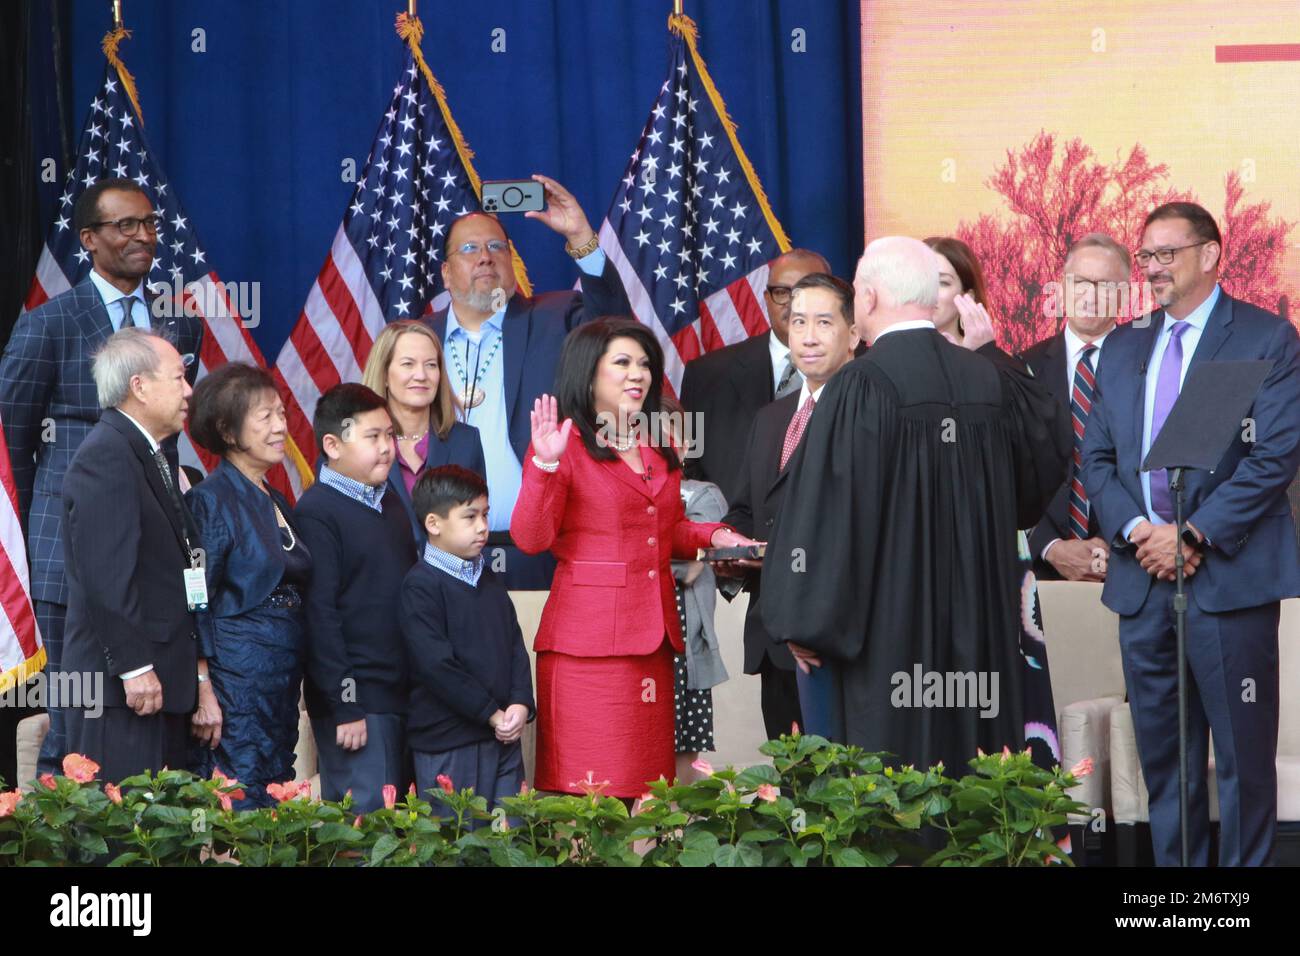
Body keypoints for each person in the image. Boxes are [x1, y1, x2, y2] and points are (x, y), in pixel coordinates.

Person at [759, 237, 1070, 777]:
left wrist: (801, 619)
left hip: (889, 638)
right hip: (981, 632)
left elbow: (828, 514)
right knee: (973, 788)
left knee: (894, 793)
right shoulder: (986, 377)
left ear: (869, 296)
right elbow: (1033, 487)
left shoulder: (859, 384)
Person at [1080, 202, 1300, 867]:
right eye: (1144, 257)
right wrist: (1142, 529)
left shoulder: (1264, 338)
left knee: (1241, 760)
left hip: (1226, 583)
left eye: (1165, 254)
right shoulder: (1123, 344)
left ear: (1210, 254)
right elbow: (1095, 459)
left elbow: (1275, 454)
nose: (1151, 269)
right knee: (1164, 764)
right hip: (1142, 584)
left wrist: (1193, 533)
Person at [0, 178, 203, 773]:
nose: (142, 236)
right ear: (88, 239)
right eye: (124, 226)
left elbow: (167, 437)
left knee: (146, 734)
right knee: (74, 728)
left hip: (155, 562)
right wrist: (38, 539)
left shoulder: (178, 323)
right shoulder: (49, 324)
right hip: (65, 562)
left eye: (148, 223)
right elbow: (12, 447)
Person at [510, 318, 756, 799]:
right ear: (587, 373)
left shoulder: (655, 447)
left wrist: (718, 535)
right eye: (621, 362)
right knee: (589, 799)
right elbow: (531, 538)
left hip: (654, 640)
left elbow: (663, 533)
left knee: (647, 795)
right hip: (589, 648)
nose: (637, 374)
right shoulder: (563, 445)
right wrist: (543, 465)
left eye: (644, 363)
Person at [422, 175, 631, 589]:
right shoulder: (417, 340)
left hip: (540, 553)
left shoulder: (555, 318)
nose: (485, 257)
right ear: (446, 274)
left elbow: (617, 330)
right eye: (469, 249)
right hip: (436, 559)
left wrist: (581, 239)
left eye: (496, 246)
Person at [720, 273, 860, 740]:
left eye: (824, 322)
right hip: (771, 635)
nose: (809, 336)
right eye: (798, 321)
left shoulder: (867, 414)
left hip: (834, 638)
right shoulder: (771, 417)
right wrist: (729, 550)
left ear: (854, 334)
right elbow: (746, 509)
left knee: (844, 794)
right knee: (790, 786)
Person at [60, 328, 200, 783]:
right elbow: (105, 575)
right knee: (126, 840)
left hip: (157, 683)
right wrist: (136, 666)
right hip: (124, 688)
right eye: (179, 378)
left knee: (161, 841)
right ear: (139, 386)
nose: (188, 391)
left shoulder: (145, 450)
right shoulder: (107, 454)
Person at [184, 363, 311, 808]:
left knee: (276, 792)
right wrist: (203, 687)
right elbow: (195, 598)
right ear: (229, 431)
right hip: (236, 678)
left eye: (281, 414)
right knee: (238, 794)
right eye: (266, 417)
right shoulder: (210, 499)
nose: (281, 427)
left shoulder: (272, 497)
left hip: (278, 679)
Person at [294, 384, 418, 813]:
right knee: (365, 836)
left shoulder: (392, 504)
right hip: (359, 705)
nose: (386, 448)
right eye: (373, 437)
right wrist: (345, 705)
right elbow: (320, 616)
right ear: (332, 444)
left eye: (390, 435)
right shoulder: (317, 512)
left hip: (403, 695)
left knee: (402, 835)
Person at [399, 465, 534, 816]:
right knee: (455, 845)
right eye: (470, 516)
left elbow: (515, 647)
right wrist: (490, 713)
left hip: (501, 735)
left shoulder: (488, 579)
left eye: (485, 515)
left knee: (511, 840)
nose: (483, 527)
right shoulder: (421, 586)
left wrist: (520, 702)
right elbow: (436, 666)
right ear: (434, 524)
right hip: (448, 740)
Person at [679, 249, 832, 504]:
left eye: (807, 290)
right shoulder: (706, 375)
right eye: (782, 292)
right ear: (767, 298)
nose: (794, 303)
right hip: (735, 533)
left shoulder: (861, 369)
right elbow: (688, 465)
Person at [1021, 234, 1131, 582]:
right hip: (1042, 575)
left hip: (1131, 563)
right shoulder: (1023, 368)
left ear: (1124, 295)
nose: (1089, 294)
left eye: (1104, 285)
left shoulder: (1147, 366)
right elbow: (1005, 472)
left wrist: (1123, 536)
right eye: (1080, 282)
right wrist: (1051, 546)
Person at [361, 319, 486, 547]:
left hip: (447, 580)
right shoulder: (355, 444)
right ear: (385, 374)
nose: (421, 375)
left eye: (431, 364)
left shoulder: (466, 441)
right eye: (408, 364)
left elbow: (475, 523)